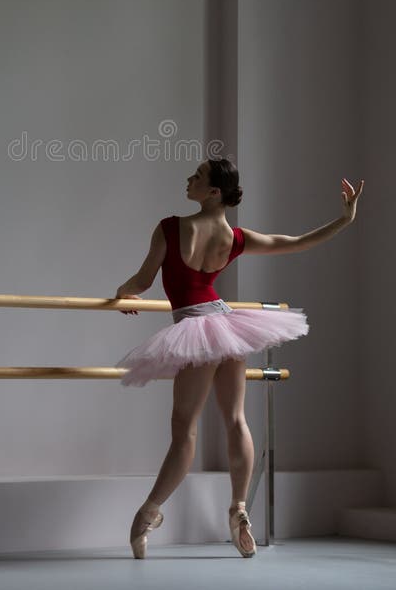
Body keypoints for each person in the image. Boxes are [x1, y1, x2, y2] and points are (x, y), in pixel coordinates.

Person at [114, 157, 364, 559]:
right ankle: (239, 510)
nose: (189, 180)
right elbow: (293, 242)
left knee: (185, 431)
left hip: (197, 329)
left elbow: (143, 280)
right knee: (235, 420)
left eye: (197, 177)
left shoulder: (170, 227)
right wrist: (344, 220)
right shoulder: (236, 237)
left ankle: (147, 515)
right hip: (227, 324)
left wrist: (123, 291)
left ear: (214, 191)